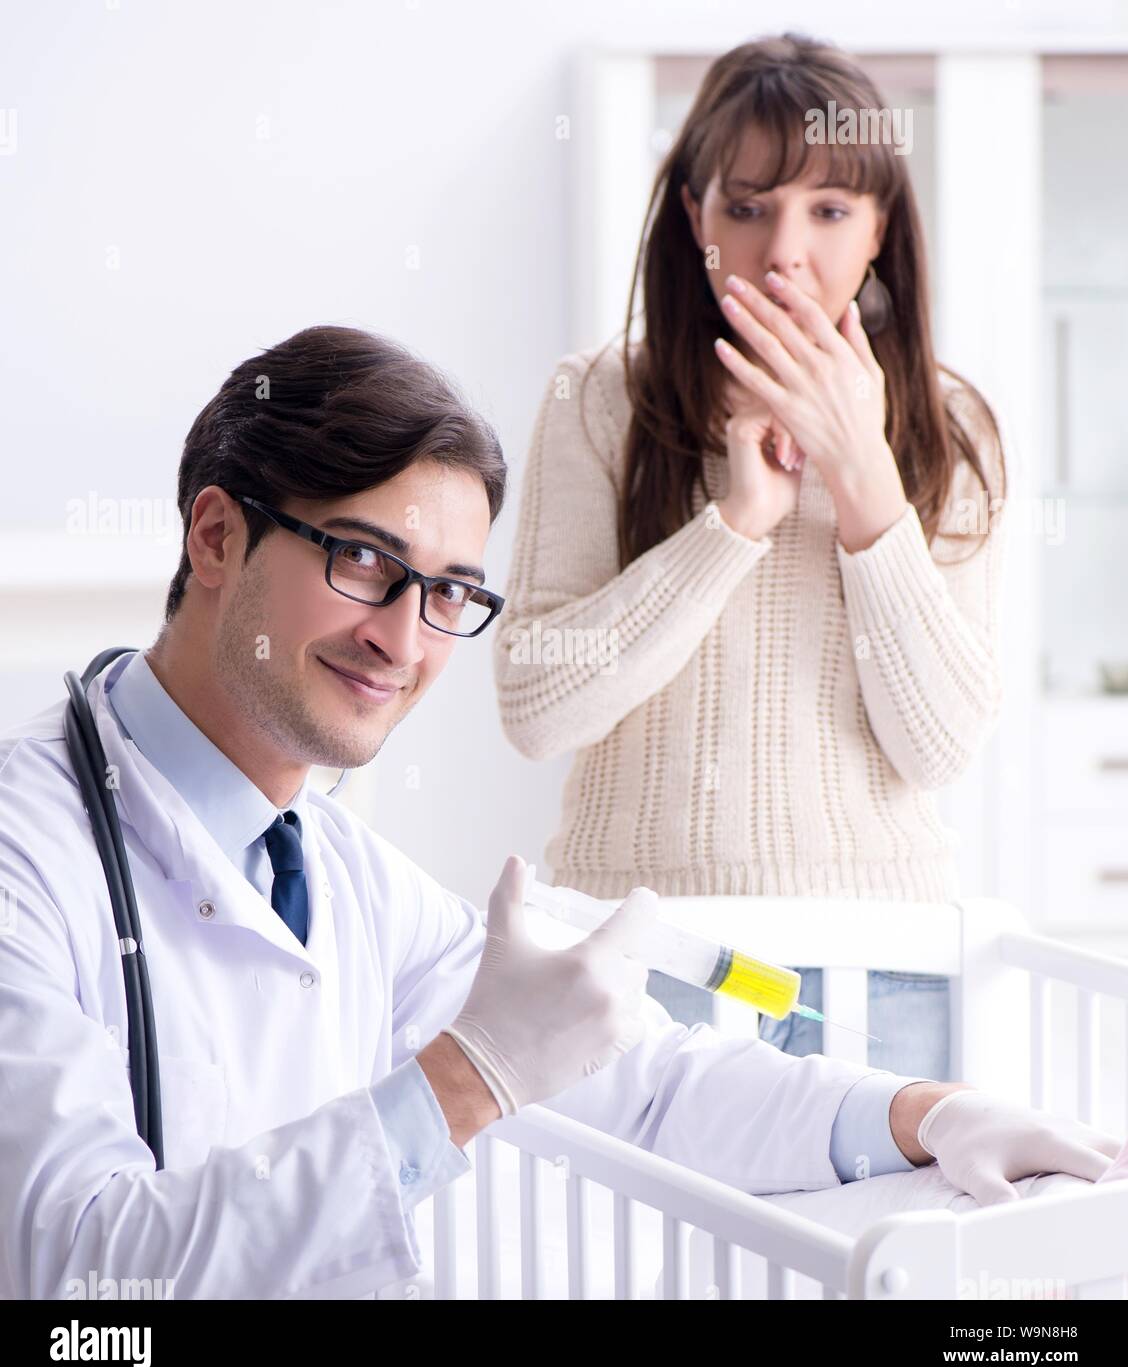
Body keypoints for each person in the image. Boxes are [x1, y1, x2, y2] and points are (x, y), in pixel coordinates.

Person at [0, 326, 1113, 1302]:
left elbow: (649, 1081)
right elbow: (81, 1278)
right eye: (362, 560)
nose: (405, 639)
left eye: (449, 592)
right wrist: (465, 1077)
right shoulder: (27, 854)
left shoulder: (334, 870)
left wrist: (928, 1112)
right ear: (214, 537)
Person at [492, 33, 1008, 1079]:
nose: (785, 251)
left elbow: (943, 747)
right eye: (747, 205)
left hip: (881, 967)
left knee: (873, 1245)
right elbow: (537, 710)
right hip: (642, 959)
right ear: (693, 216)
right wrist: (734, 521)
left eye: (829, 210)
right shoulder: (598, 399)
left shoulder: (949, 425)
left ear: (879, 231)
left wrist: (863, 478)